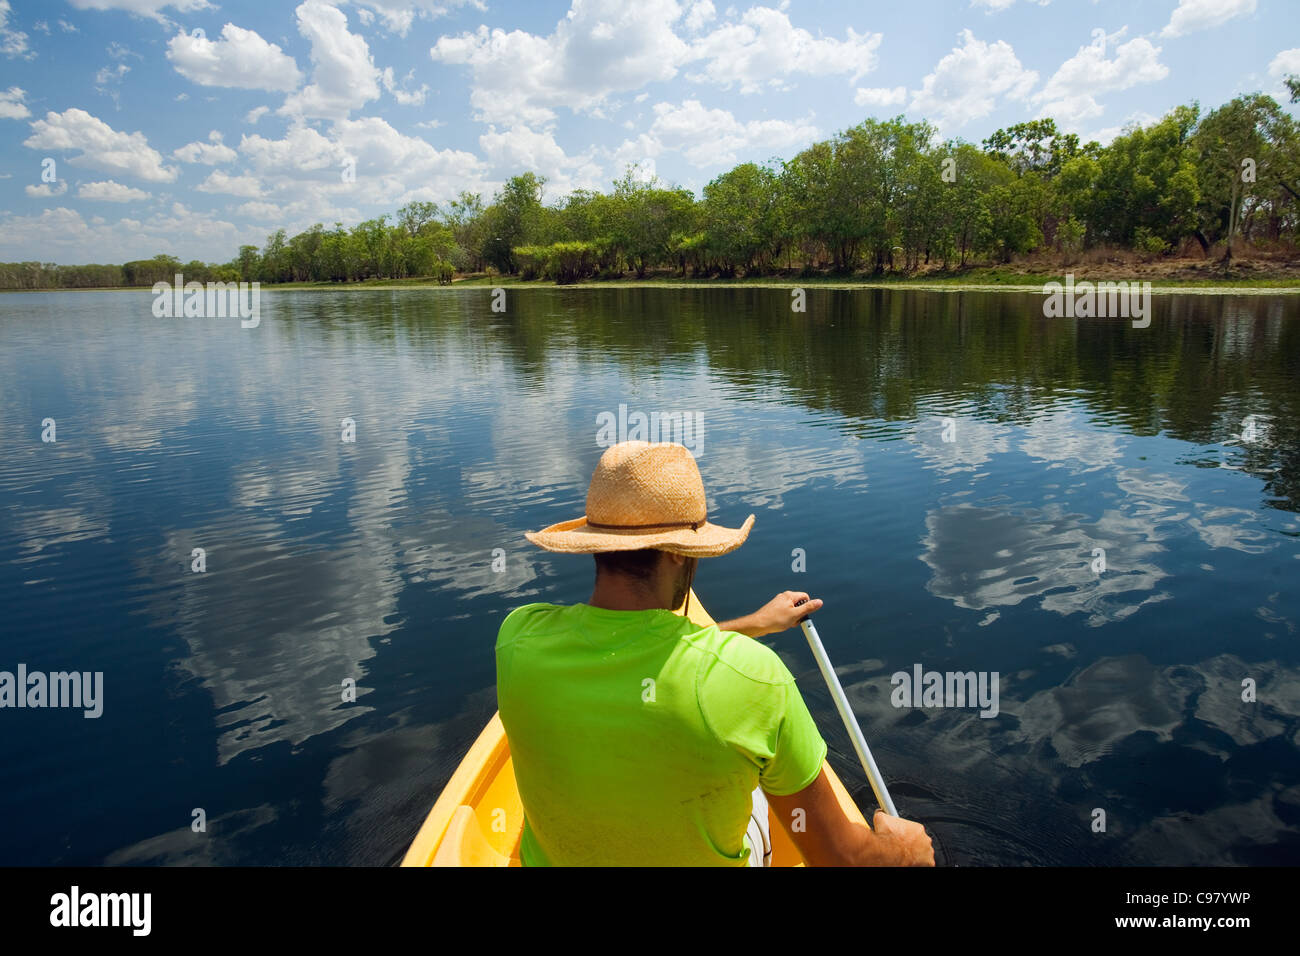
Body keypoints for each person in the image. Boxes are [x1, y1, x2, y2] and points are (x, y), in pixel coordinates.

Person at [496, 440, 934, 867]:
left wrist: (756, 624)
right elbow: (840, 859)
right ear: (677, 554)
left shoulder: (519, 638)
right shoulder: (755, 679)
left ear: (596, 544)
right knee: (759, 773)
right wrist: (905, 853)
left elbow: (639, 647)